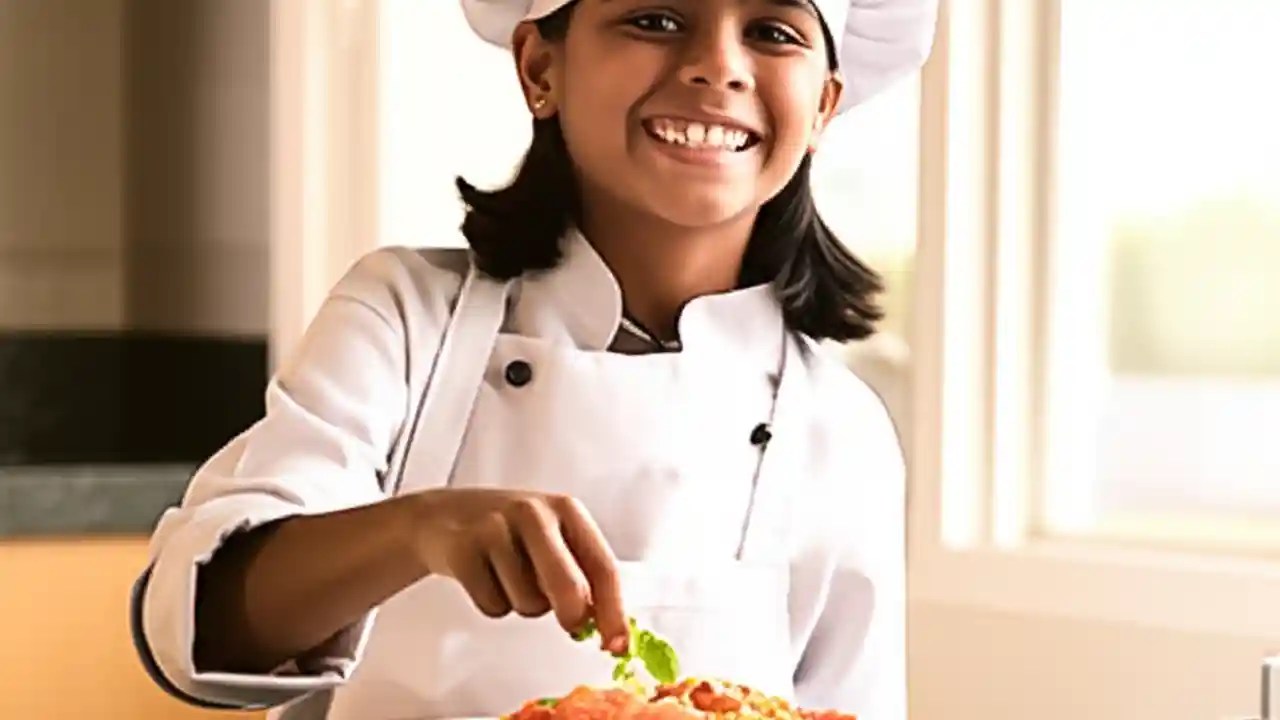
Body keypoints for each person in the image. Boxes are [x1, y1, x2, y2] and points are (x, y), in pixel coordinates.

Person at [129, 0, 938, 718]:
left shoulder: (841, 429)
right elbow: (202, 630)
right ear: (540, 66)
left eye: (772, 31)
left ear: (825, 105)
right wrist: (420, 527)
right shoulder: (405, 317)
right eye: (656, 20)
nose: (717, 67)